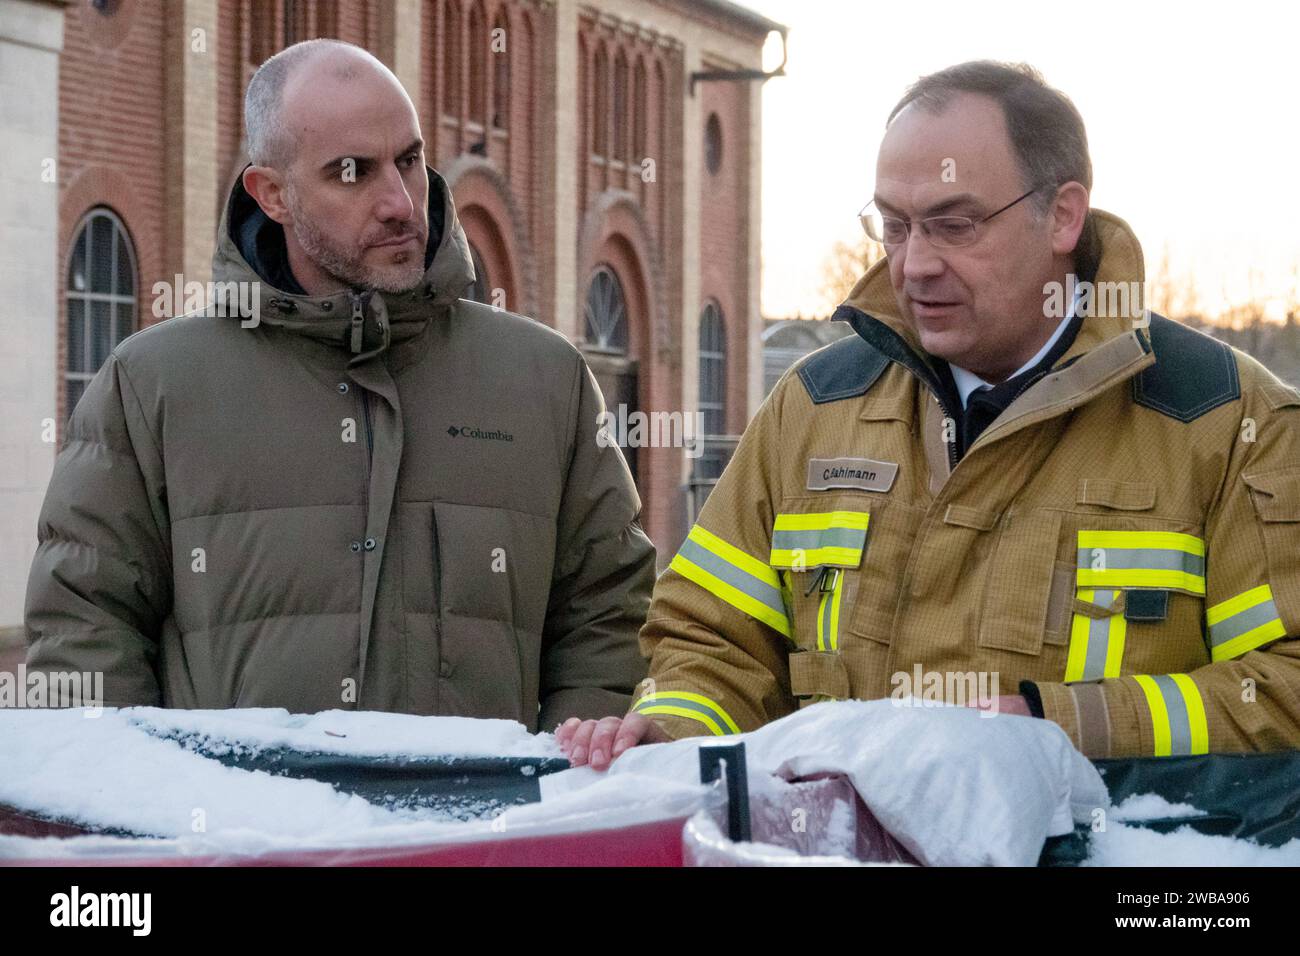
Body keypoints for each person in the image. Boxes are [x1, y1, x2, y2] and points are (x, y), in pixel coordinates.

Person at [559, 60, 1300, 768]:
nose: (913, 265)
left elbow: (1285, 687)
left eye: (954, 225)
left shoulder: (1231, 422)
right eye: (894, 225)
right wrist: (669, 734)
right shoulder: (816, 406)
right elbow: (712, 642)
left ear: (1063, 217)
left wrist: (1055, 730)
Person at [25, 39, 655, 729]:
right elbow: (84, 633)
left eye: (409, 161)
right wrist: (155, 818)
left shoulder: (543, 380)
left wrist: (566, 780)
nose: (398, 202)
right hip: (237, 835)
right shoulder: (151, 389)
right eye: (352, 173)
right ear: (272, 195)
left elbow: (610, 618)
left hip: (485, 834)